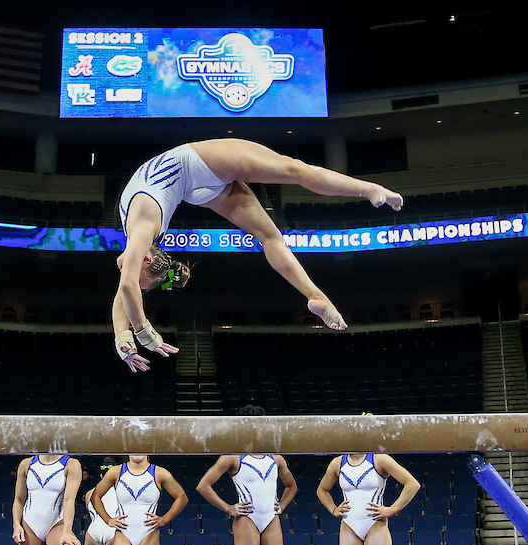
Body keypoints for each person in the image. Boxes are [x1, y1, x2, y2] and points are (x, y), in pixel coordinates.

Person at [112, 139, 404, 371]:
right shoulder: (138, 242)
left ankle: (368, 189)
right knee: (270, 236)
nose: (133, 282)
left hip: (196, 162)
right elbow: (126, 292)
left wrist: (144, 333)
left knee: (294, 170)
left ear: (146, 261)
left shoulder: (143, 227)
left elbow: (127, 287)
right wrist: (122, 339)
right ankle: (316, 296)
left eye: (142, 284)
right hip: (195, 189)